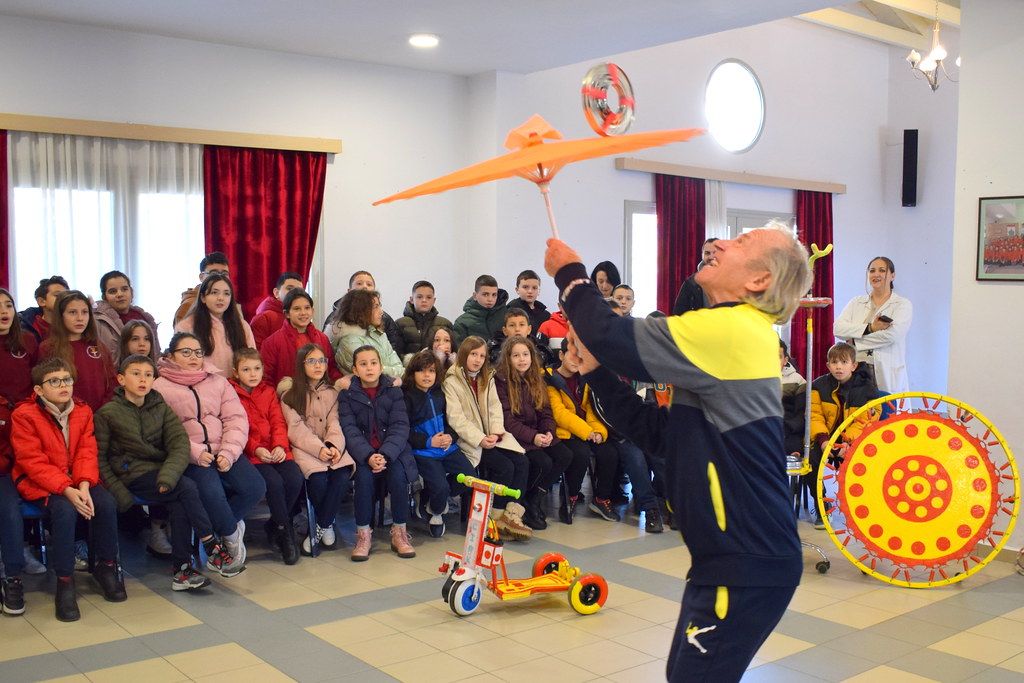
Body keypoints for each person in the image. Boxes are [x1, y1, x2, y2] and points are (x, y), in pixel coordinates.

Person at [545, 223, 812, 681]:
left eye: (741, 242)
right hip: (732, 559)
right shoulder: (732, 334)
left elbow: (613, 337)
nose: (720, 243)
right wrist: (597, 374)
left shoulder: (733, 328)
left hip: (746, 560)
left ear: (759, 280)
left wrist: (570, 276)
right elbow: (661, 435)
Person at [94, 354, 232, 590]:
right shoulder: (107, 413)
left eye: (148, 374)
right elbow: (99, 458)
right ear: (121, 379)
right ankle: (210, 544)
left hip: (160, 473)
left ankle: (182, 570)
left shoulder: (160, 406)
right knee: (187, 487)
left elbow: (179, 443)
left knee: (181, 500)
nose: (143, 380)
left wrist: (168, 475)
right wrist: (118, 492)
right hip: (130, 475)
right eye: (136, 374)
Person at [10, 358, 127, 621]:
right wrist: (67, 490)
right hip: (42, 483)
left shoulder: (82, 411)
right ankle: (64, 581)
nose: (63, 385)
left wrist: (84, 484)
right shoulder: (24, 415)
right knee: (64, 512)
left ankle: (106, 566)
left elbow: (87, 450)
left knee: (106, 503)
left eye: (67, 380)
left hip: (78, 479)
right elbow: (32, 462)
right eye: (54, 381)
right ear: (39, 389)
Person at [153, 332, 261, 574]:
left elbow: (235, 418)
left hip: (223, 448)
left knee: (255, 486)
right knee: (211, 492)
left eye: (198, 352)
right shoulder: (158, 387)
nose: (194, 357)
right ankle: (231, 537)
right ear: (171, 356)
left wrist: (229, 452)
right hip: (189, 455)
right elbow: (163, 432)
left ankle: (225, 525)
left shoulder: (217, 381)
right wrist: (195, 453)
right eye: (186, 352)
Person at [546, 338, 655, 528]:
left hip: (586, 430)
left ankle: (601, 499)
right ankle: (570, 496)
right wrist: (587, 432)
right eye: (572, 354)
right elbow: (560, 414)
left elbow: (591, 409)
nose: (576, 360)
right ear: (561, 355)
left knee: (609, 453)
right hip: (565, 432)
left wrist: (597, 431)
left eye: (580, 356)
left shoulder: (585, 379)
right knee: (579, 454)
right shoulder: (551, 379)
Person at [442, 336, 530, 541]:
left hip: (492, 436)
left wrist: (497, 432)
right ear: (464, 354)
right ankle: (496, 517)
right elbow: (457, 419)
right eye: (473, 354)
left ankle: (512, 514)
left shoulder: (486, 378)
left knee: (522, 461)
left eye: (482, 356)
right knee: (504, 467)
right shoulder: (451, 381)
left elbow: (494, 408)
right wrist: (480, 438)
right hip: (470, 441)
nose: (478, 360)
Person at [494, 336, 581, 531]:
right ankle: (524, 501)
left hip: (538, 434)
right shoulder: (501, 381)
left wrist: (548, 432)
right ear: (508, 358)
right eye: (516, 355)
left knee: (565, 455)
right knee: (543, 462)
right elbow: (508, 421)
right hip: (517, 437)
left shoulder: (536, 378)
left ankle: (533, 499)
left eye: (525, 354)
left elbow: (546, 412)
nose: (522, 359)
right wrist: (533, 436)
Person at [339, 345, 417, 561]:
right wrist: (368, 456)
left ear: (381, 367)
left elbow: (400, 426)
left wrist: (385, 454)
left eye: (373, 363)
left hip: (393, 451)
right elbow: (349, 429)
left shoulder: (393, 391)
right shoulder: (348, 395)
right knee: (363, 479)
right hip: (363, 454)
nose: (369, 368)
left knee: (398, 476)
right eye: (363, 364)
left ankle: (399, 532)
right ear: (355, 370)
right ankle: (363, 534)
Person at [230, 348, 303, 564]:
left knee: (294, 478)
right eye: (246, 369)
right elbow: (235, 427)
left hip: (276, 449)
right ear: (236, 372)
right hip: (252, 453)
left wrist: (280, 445)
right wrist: (255, 449)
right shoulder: (231, 393)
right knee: (273, 483)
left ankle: (274, 524)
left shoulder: (269, 391)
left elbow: (278, 422)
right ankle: (284, 531)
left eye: (257, 368)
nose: (252, 374)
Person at [280, 344, 354, 555]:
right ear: (301, 364)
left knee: (342, 476)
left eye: (321, 361)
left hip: (332, 448)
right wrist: (319, 449)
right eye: (312, 361)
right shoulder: (290, 395)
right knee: (319, 480)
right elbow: (296, 430)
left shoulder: (332, 393)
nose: (318, 365)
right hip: (306, 450)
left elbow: (335, 423)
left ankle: (321, 526)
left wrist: (333, 446)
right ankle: (327, 523)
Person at [402, 350, 474, 538]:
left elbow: (452, 421)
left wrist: (450, 436)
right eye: (422, 371)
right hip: (424, 451)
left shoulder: (440, 393)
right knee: (440, 486)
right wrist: (427, 441)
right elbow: (403, 431)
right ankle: (436, 513)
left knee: (469, 476)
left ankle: (430, 499)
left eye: (432, 371)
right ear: (413, 373)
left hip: (447, 447)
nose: (427, 375)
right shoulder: (406, 396)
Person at [808, 342, 879, 529]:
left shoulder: (867, 388)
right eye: (834, 362)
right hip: (825, 439)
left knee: (862, 465)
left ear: (853, 366)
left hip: (853, 441)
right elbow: (814, 415)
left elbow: (867, 420)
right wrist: (823, 441)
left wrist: (847, 441)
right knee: (811, 462)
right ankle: (822, 506)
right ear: (828, 365)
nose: (839, 366)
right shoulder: (817, 386)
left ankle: (858, 510)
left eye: (844, 362)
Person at [0, 288, 38, 614]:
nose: (3, 311)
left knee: (11, 508)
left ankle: (13, 573)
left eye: (8, 305)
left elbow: (39, 386)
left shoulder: (27, 343)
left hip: (22, 439)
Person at [833, 256, 912, 393]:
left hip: (885, 370)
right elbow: (838, 329)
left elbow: (891, 336)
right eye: (872, 271)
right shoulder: (856, 302)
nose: (876, 274)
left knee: (886, 412)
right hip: (856, 369)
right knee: (857, 411)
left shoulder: (902, 305)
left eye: (882, 270)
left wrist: (854, 341)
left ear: (892, 275)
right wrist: (870, 328)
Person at [40, 291, 116, 412]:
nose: (80, 318)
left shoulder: (98, 346)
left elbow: (112, 383)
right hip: (67, 415)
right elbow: (46, 388)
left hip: (100, 415)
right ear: (61, 315)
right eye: (72, 312)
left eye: (85, 312)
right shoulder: (48, 348)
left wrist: (103, 411)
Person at [175, 273, 256, 377]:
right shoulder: (186, 327)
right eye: (214, 292)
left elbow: (252, 360)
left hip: (236, 388)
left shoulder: (242, 325)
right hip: (202, 387)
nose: (220, 298)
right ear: (203, 297)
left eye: (226, 294)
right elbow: (182, 365)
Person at [260, 289, 341, 390]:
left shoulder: (322, 338)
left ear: (312, 311)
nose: (303, 313)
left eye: (307, 308)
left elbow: (331, 368)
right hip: (288, 400)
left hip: (320, 398)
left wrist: (339, 383)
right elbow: (266, 380)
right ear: (287, 314)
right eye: (297, 309)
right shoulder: (271, 343)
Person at [324, 271, 403, 356]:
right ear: (349, 291)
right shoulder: (335, 319)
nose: (364, 287)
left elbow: (395, 347)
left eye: (369, 284)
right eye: (359, 283)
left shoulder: (384, 318)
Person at [330, 289, 404, 378]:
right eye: (376, 307)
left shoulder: (379, 334)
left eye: (380, 306)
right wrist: (392, 373)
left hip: (388, 389)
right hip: (363, 391)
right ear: (360, 310)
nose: (381, 312)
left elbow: (400, 368)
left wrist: (388, 371)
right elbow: (371, 374)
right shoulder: (348, 341)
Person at [93, 270, 161, 362]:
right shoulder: (98, 321)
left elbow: (155, 353)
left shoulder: (144, 318)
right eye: (113, 291)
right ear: (104, 297)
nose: (120, 294)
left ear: (131, 292)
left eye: (124, 289)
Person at [395, 280, 454, 358]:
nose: (424, 300)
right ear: (412, 299)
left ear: (434, 300)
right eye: (419, 297)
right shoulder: (400, 324)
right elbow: (396, 354)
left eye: (429, 297)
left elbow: (453, 352)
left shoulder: (445, 324)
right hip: (409, 368)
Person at [250, 272, 304, 349]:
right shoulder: (263, 318)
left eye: (299, 291)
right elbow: (256, 355)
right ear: (276, 293)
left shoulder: (303, 316)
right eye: (289, 289)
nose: (295, 293)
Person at [173, 251, 230, 326]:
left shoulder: (229, 303)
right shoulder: (188, 306)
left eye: (224, 274)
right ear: (201, 277)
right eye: (214, 274)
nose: (220, 278)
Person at [487, 308, 554, 368]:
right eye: (512, 325)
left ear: (529, 329)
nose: (517, 329)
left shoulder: (541, 351)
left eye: (521, 325)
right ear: (505, 331)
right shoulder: (494, 351)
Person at [453, 274, 508, 346]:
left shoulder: (506, 315)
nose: (490, 299)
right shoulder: (461, 323)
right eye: (485, 294)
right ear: (475, 296)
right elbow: (461, 353)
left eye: (494, 295)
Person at [671, 237, 719, 315]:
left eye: (715, 253)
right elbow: (678, 314)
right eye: (707, 253)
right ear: (702, 255)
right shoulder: (691, 283)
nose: (711, 257)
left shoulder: (732, 281)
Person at [18, 275, 69, 343]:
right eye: (58, 295)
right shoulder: (25, 325)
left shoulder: (74, 324)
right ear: (41, 301)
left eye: (67, 296)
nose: (65, 299)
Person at [779, 339, 807, 458]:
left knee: (793, 448)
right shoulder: (755, 378)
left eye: (778, 357)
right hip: (764, 428)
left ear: (785, 360)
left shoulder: (798, 380)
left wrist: (785, 428)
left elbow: (800, 414)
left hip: (789, 429)